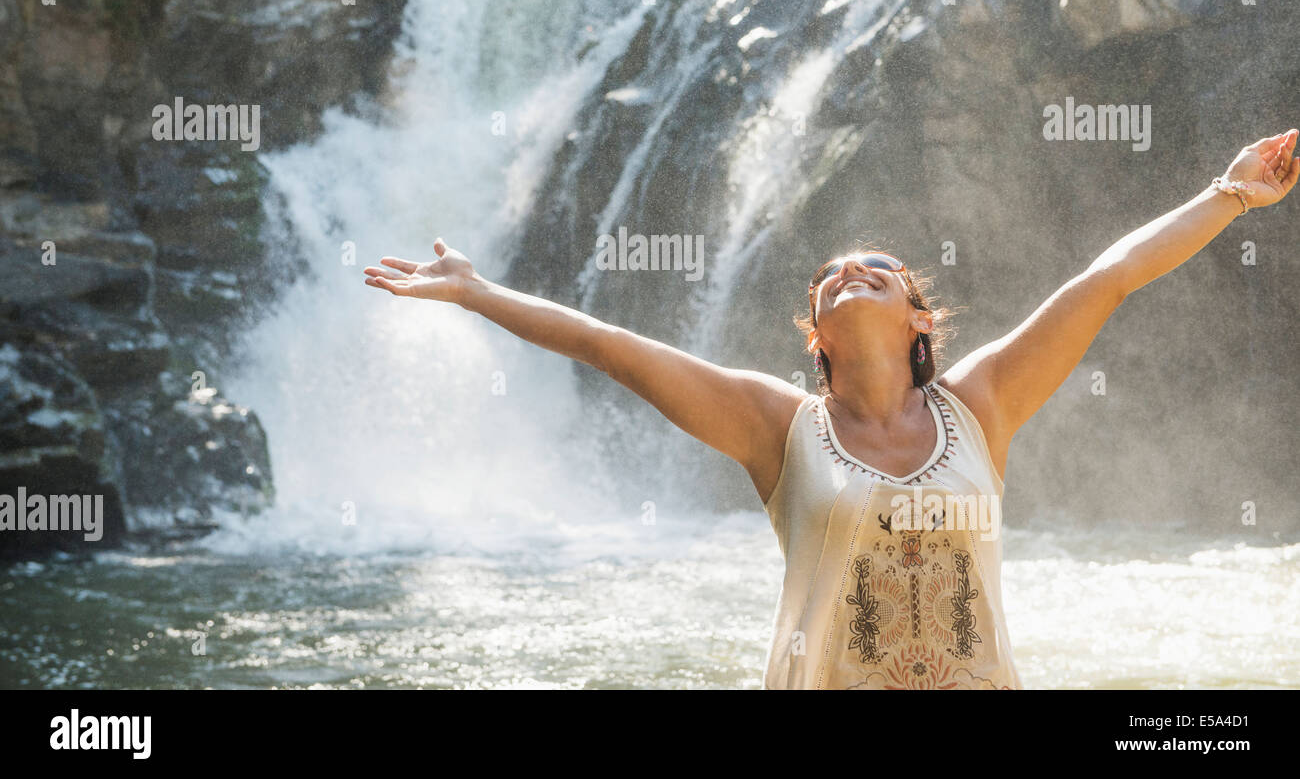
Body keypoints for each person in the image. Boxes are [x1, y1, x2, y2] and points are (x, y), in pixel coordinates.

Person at [364, 129, 1297, 689]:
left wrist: (1229, 193)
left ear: (919, 318)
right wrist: (479, 293)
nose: (852, 270)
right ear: (815, 334)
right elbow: (611, 346)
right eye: (831, 276)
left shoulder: (983, 404)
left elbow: (1110, 280)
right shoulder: (777, 426)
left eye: (879, 268)